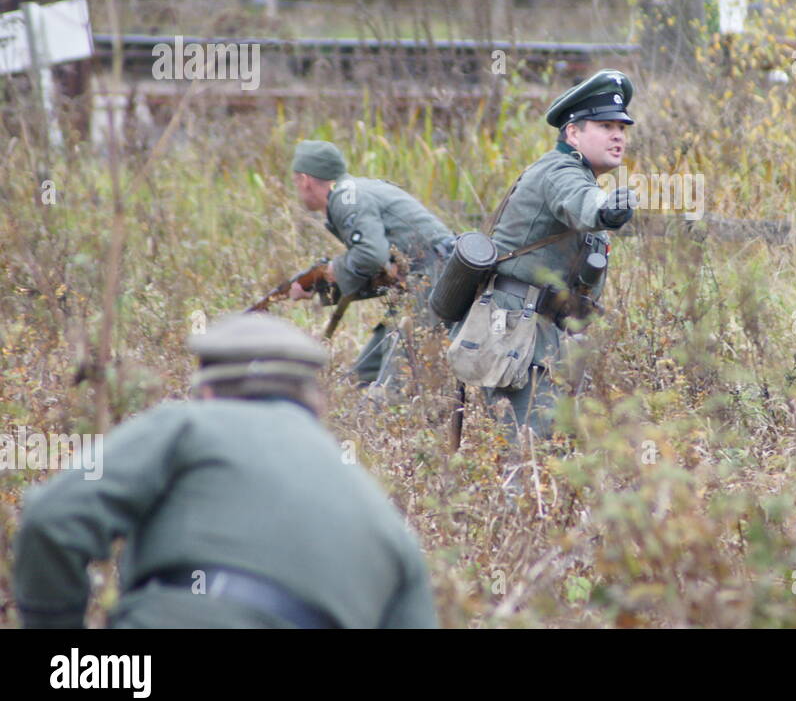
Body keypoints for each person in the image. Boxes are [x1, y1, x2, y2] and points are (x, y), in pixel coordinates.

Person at [12, 312, 437, 628]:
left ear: (208, 391)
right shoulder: (383, 515)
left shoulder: (185, 424)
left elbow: (53, 519)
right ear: (316, 403)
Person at [469, 69, 638, 441]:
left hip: (536, 330)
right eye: (605, 125)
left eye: (622, 128)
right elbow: (583, 201)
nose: (617, 135)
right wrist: (607, 210)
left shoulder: (575, 172)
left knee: (548, 446)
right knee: (533, 447)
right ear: (573, 132)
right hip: (519, 330)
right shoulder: (561, 171)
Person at [290, 139, 456, 385]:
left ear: (305, 179)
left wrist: (335, 269)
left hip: (431, 279)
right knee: (363, 376)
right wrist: (321, 285)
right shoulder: (354, 191)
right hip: (425, 280)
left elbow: (370, 254)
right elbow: (381, 265)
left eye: (296, 182)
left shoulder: (347, 197)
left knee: (394, 384)